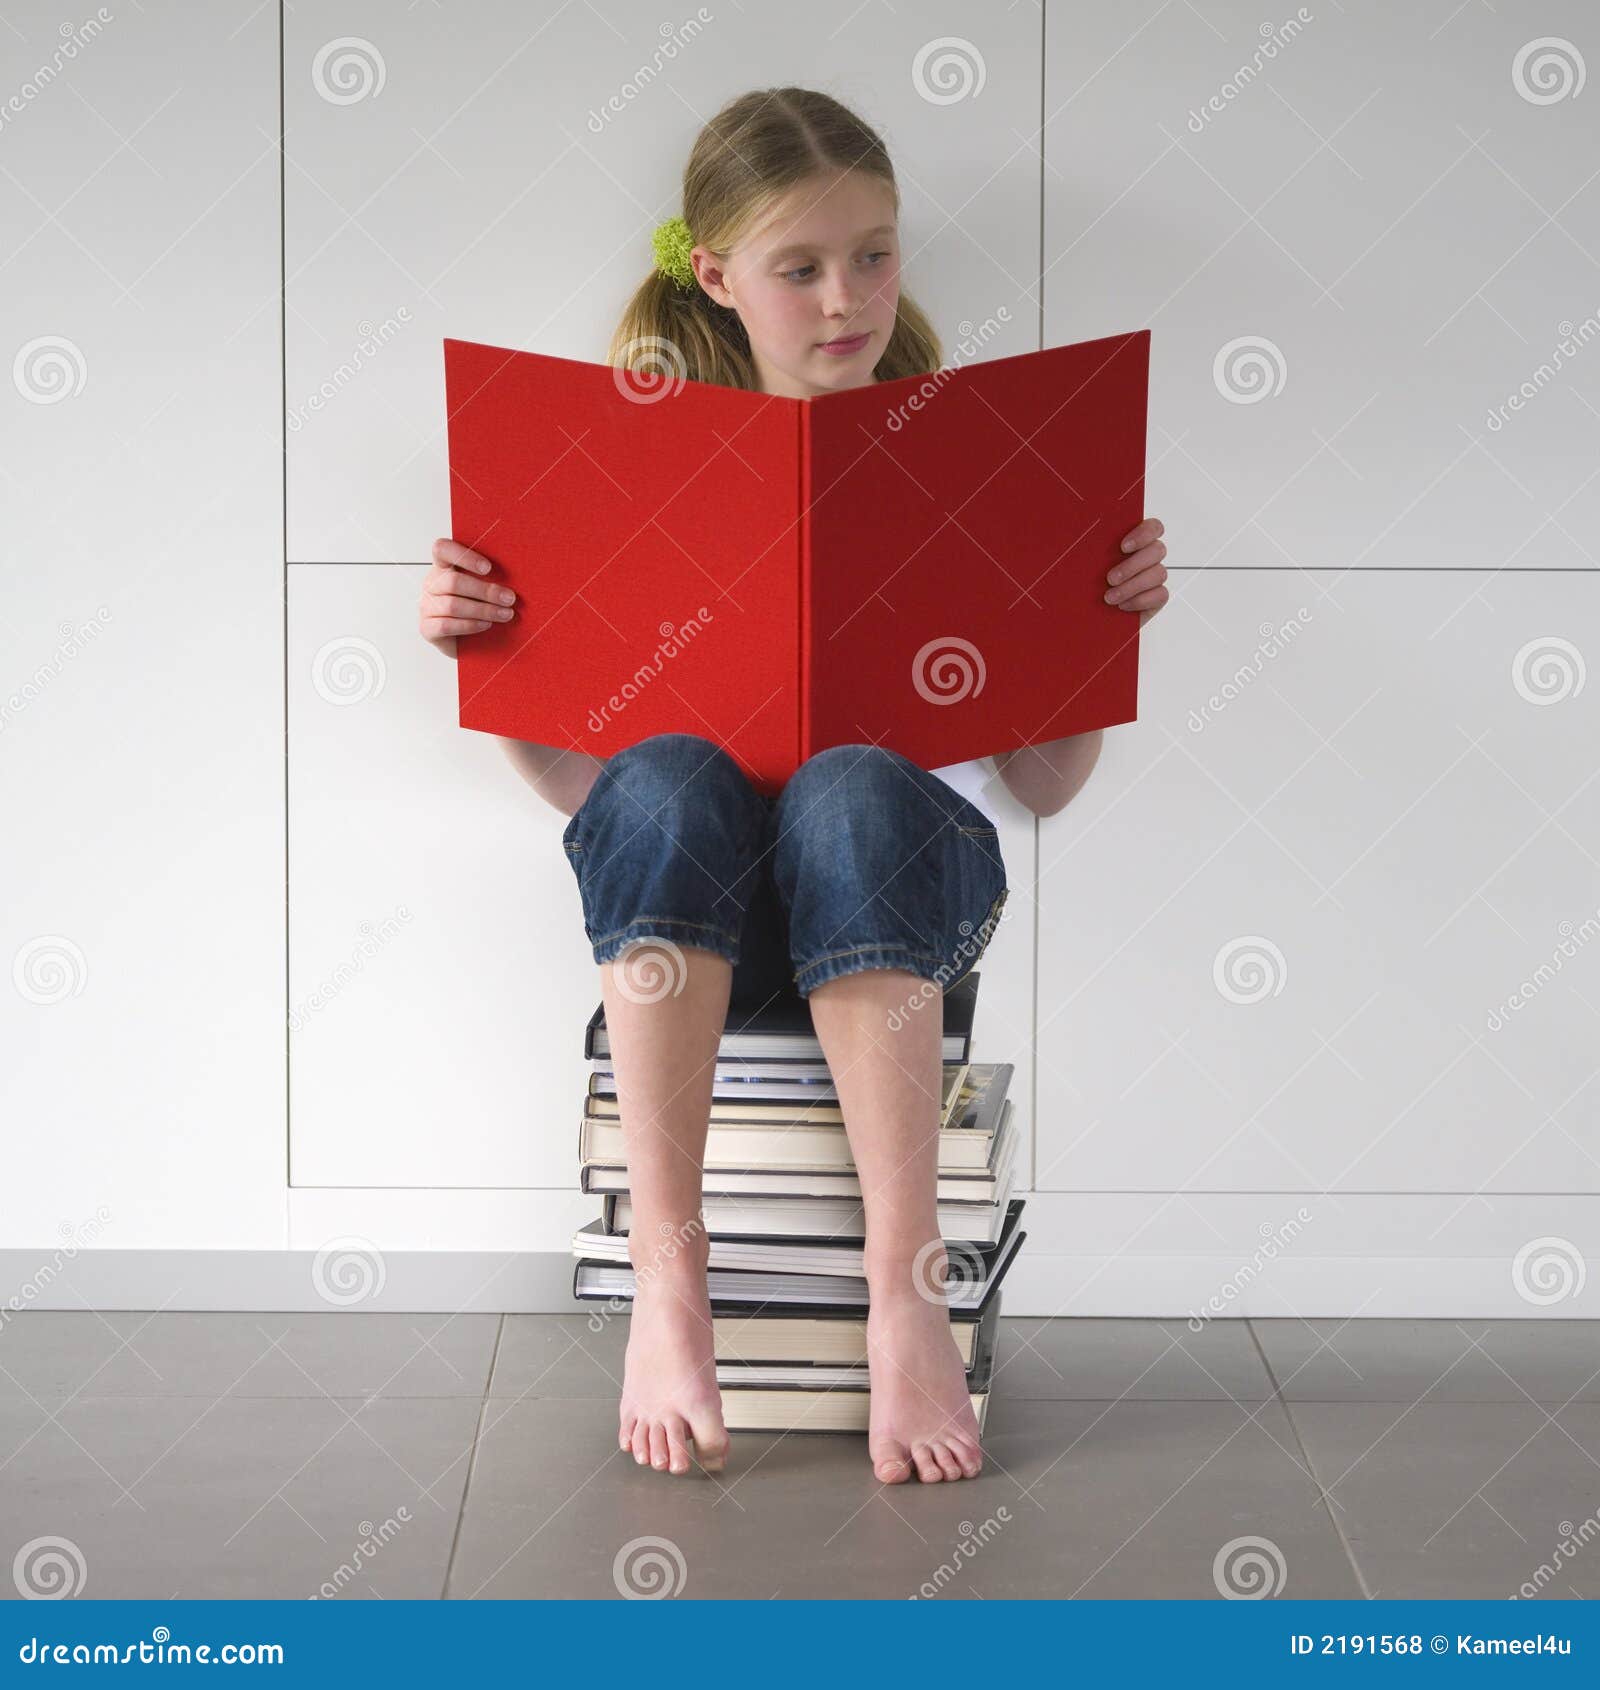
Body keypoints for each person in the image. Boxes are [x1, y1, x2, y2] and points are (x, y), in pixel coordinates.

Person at [418, 87, 1169, 1486]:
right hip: (702, 908)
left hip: (901, 890)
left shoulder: (980, 458)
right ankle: (671, 1278)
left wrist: (1094, 631)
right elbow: (602, 804)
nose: (849, 298)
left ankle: (904, 1294)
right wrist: (494, 661)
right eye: (803, 266)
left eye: (874, 254)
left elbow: (1048, 787)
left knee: (844, 787)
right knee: (673, 774)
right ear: (716, 275)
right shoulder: (632, 462)